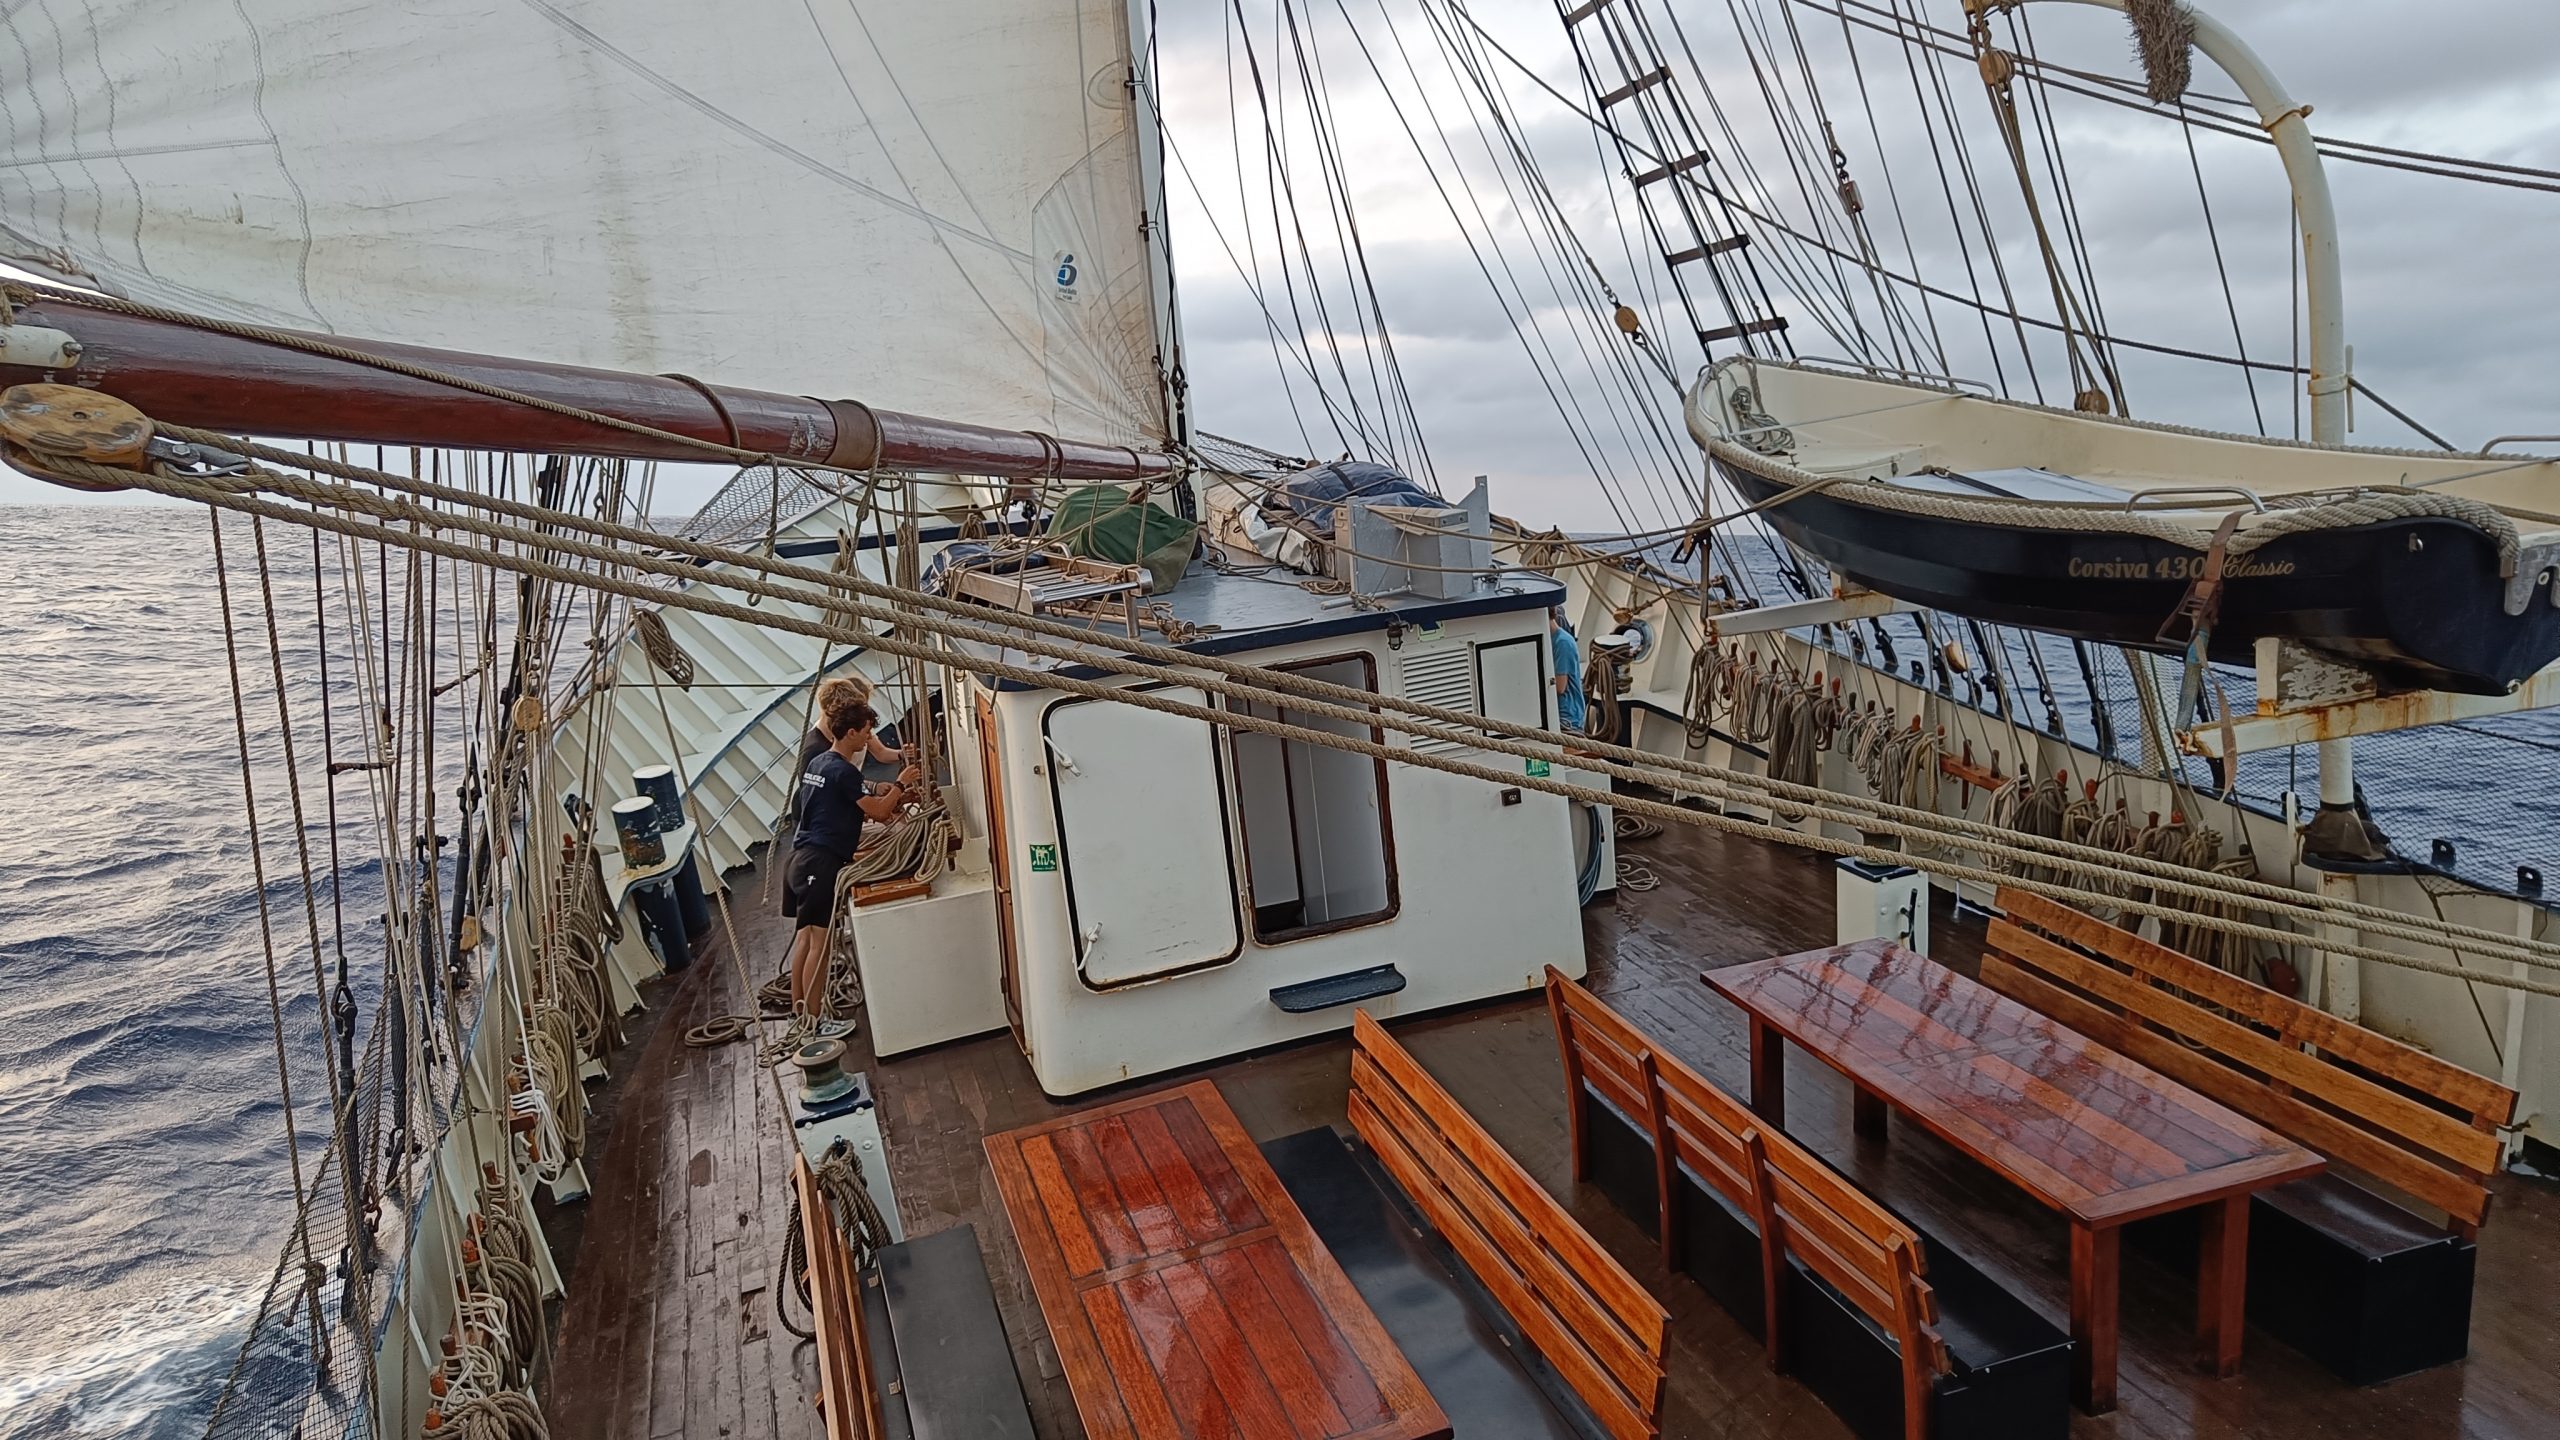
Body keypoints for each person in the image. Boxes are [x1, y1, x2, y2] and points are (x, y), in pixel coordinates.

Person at [781, 693, 922, 1030]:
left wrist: (878, 788)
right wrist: (902, 783)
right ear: (850, 733)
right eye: (866, 731)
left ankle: (800, 1013)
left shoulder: (819, 763)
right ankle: (816, 1022)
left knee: (805, 939)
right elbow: (879, 811)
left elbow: (845, 796)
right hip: (821, 864)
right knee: (821, 945)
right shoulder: (843, 770)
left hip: (800, 859)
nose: (869, 737)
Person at [1550, 606, 1586, 735]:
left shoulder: (1562, 643)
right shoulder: (1551, 640)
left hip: (1566, 719)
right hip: (1557, 715)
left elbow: (1560, 687)